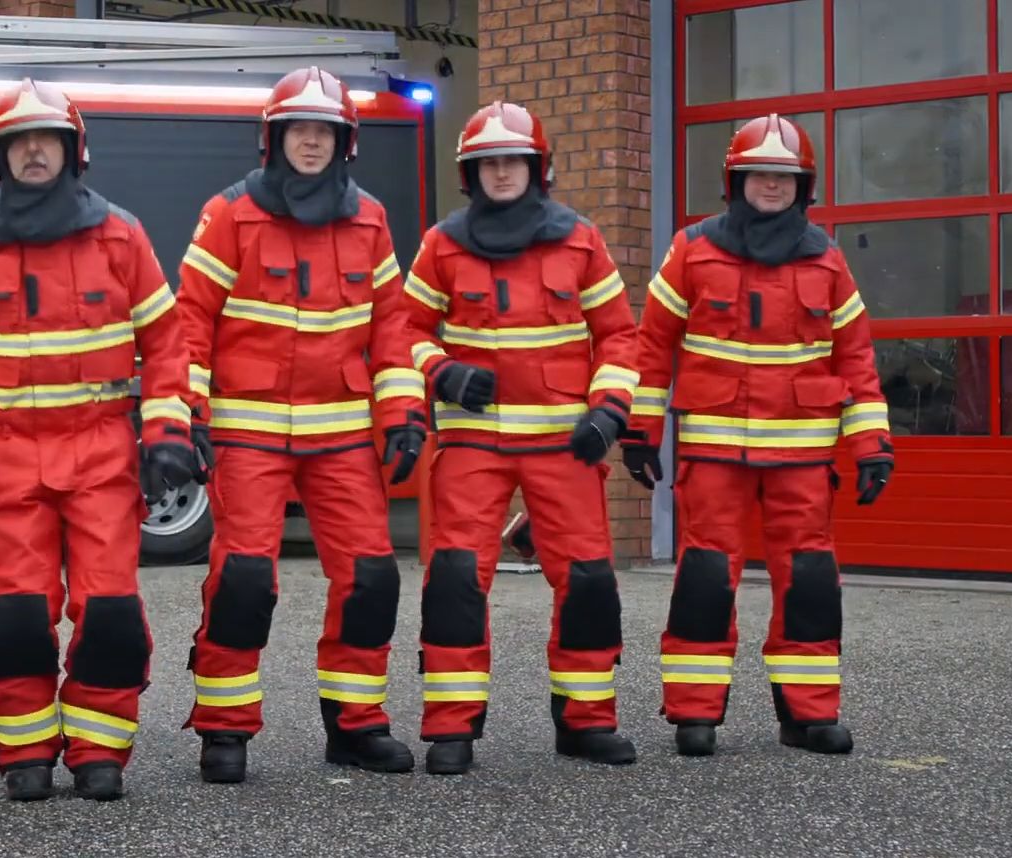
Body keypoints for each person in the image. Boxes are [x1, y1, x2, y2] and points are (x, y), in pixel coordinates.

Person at [0, 78, 200, 802]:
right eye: (19, 142)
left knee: (108, 606)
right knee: (20, 610)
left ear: (74, 151)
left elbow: (168, 343)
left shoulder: (120, 234)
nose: (34, 151)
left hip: (102, 448)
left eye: (47, 140)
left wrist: (168, 432)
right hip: (4, 456)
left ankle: (101, 748)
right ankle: (25, 750)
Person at [172, 65, 414, 784]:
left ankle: (356, 725)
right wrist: (189, 412)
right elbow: (189, 321)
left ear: (346, 142)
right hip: (247, 430)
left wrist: (401, 412)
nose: (311, 141)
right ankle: (224, 726)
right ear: (273, 138)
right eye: (298, 130)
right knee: (244, 579)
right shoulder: (230, 213)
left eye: (324, 131)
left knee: (372, 577)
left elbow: (392, 327)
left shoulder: (368, 217)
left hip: (339, 434)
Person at [623, 113, 891, 757]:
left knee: (810, 579)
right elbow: (653, 347)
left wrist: (872, 445)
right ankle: (694, 712)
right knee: (706, 576)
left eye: (784, 176)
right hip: (714, 451)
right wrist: (638, 431)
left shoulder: (827, 259)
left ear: (803, 187)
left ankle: (808, 714)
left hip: (802, 453)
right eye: (759, 174)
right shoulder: (692, 250)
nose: (771, 185)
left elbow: (854, 358)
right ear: (735, 179)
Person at [390, 100, 641, 775]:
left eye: (513, 160)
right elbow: (403, 332)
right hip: (474, 444)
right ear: (472, 173)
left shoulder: (581, 240)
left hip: (567, 443)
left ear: (537, 167)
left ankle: (586, 723)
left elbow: (618, 335)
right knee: (453, 580)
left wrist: (609, 411)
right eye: (488, 162)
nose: (502, 171)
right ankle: (452, 727)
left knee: (587, 582)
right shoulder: (442, 244)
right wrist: (442, 373)